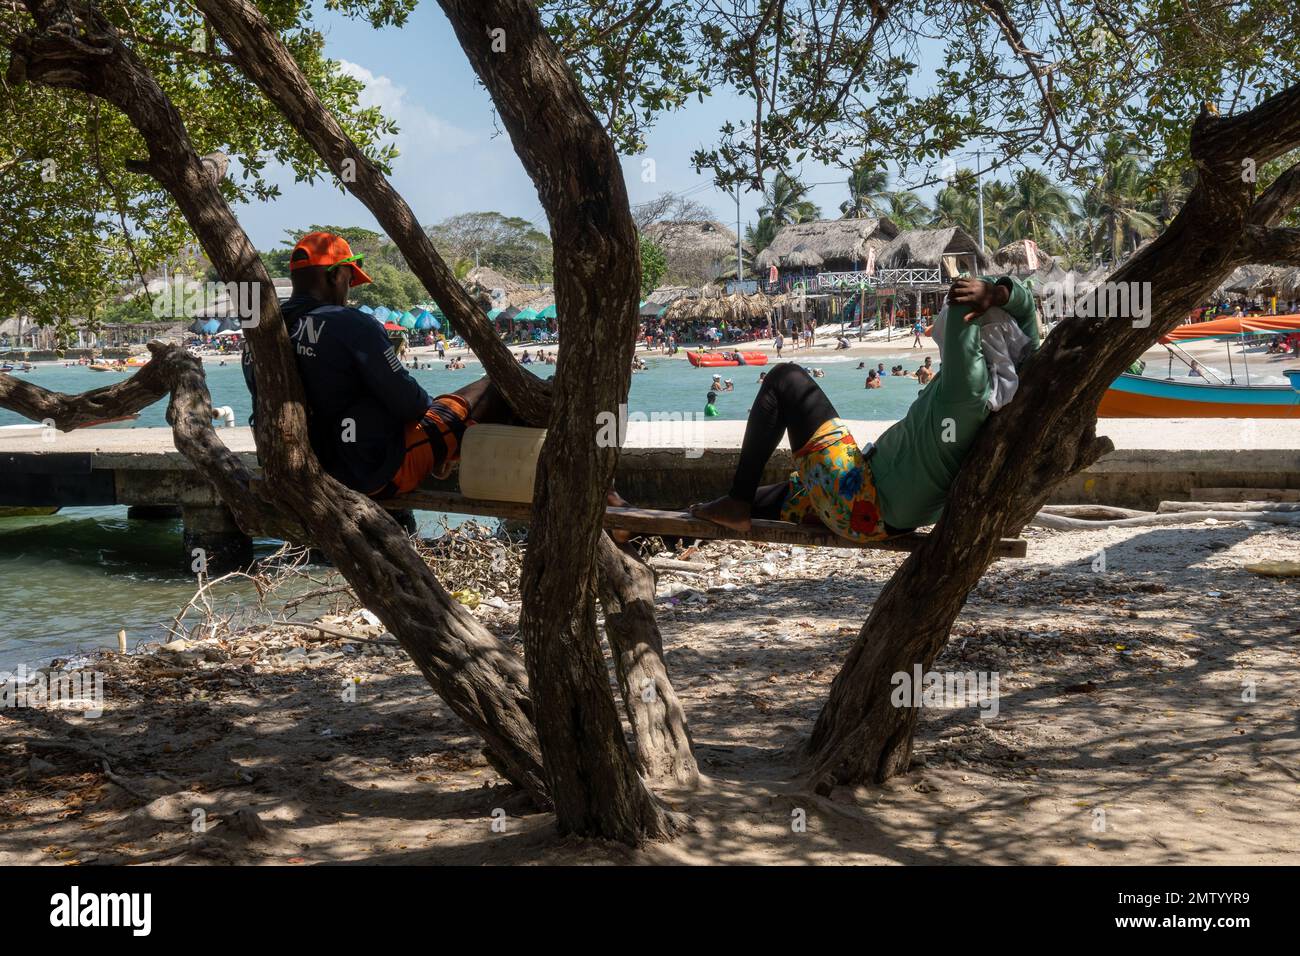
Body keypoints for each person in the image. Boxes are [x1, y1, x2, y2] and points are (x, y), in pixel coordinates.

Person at [689, 275, 1038, 543]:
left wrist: (983, 292)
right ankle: (667, 526)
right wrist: (1001, 294)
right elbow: (1028, 337)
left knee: (785, 378)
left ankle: (737, 501)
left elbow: (962, 301)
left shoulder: (967, 392)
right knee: (751, 502)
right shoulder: (1000, 384)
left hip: (860, 503)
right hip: (873, 502)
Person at [243, 231, 517, 497]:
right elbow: (411, 403)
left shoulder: (261, 334)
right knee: (497, 387)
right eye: (349, 280)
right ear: (336, 275)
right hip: (369, 474)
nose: (348, 291)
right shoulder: (350, 323)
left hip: (298, 473)